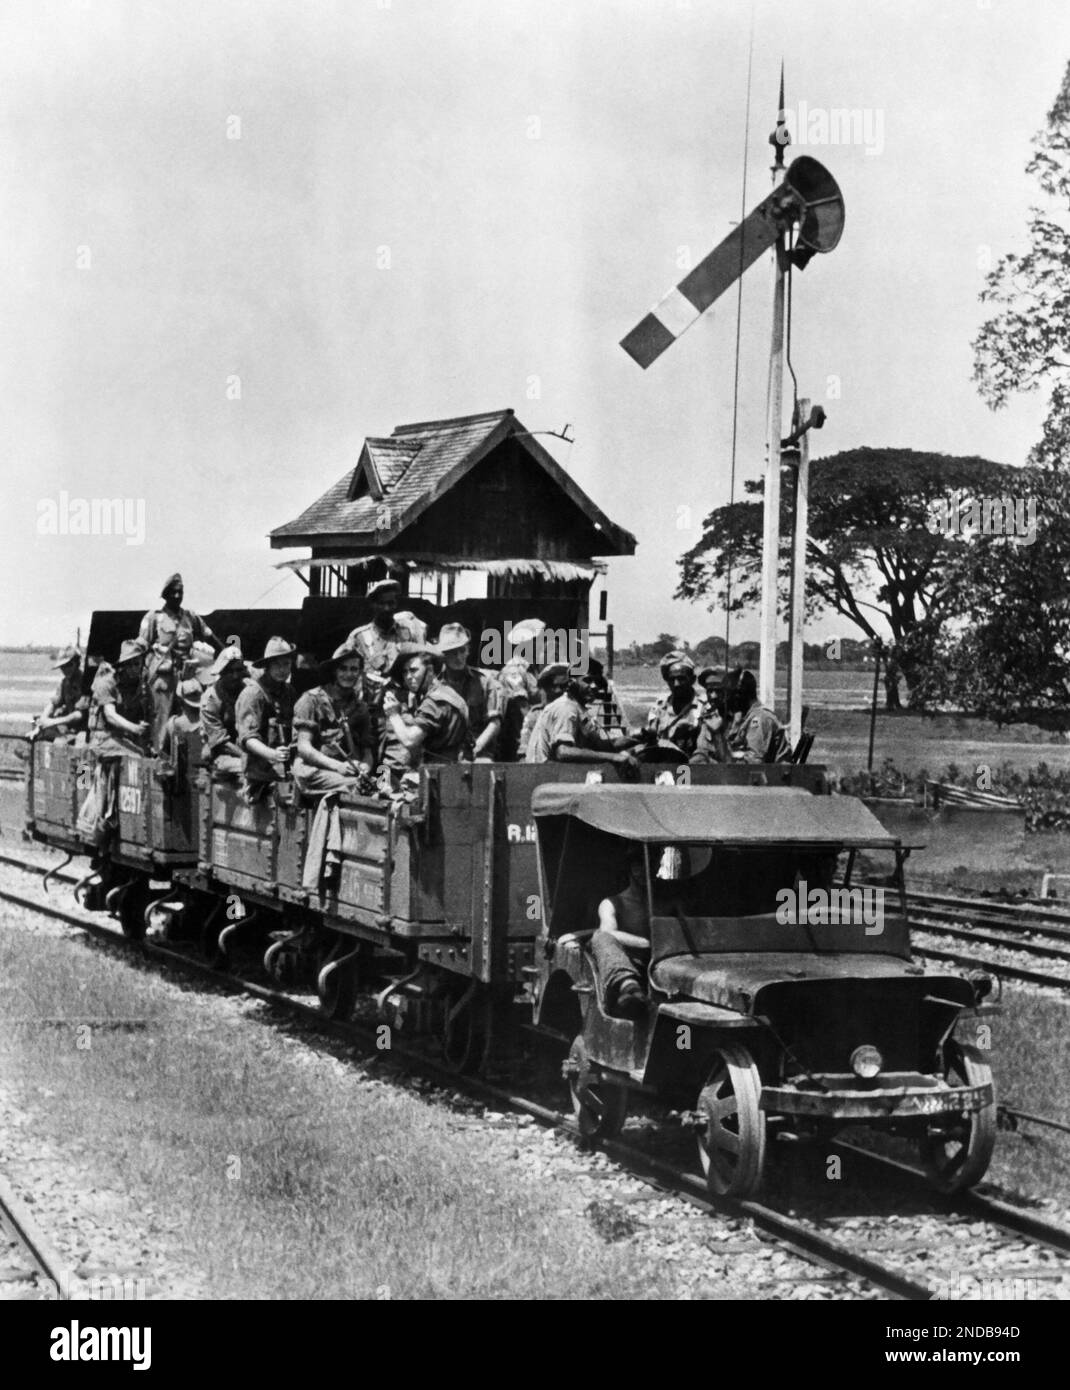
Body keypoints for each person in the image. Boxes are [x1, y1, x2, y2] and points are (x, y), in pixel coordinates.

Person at [590, 847, 686, 1019]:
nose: (643, 871)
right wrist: (646, 943)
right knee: (601, 936)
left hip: (667, 964)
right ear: (630, 868)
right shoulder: (613, 903)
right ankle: (630, 988)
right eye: (638, 866)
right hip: (630, 964)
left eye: (650, 864)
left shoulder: (668, 902)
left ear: (657, 866)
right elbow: (608, 932)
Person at [138, 574, 221, 753]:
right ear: (165, 595)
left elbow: (209, 635)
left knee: (190, 717)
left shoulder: (190, 616)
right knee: (162, 717)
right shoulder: (154, 618)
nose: (177, 596)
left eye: (180, 592)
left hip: (187, 676)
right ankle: (159, 754)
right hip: (164, 677)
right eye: (173, 592)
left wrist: (226, 654)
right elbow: (141, 646)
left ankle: (190, 756)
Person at [292, 644, 376, 796]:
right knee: (357, 787)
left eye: (354, 669)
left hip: (345, 773)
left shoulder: (360, 707)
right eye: (343, 669)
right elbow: (303, 748)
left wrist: (364, 767)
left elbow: (367, 751)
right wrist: (337, 766)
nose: (348, 674)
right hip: (312, 771)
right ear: (334, 672)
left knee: (376, 786)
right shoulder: (311, 700)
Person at [525, 663, 639, 769]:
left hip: (555, 772)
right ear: (571, 683)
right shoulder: (566, 707)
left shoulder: (580, 709)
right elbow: (563, 752)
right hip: (542, 773)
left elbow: (604, 744)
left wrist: (639, 737)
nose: (594, 686)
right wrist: (613, 757)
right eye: (587, 680)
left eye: (597, 682)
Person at [379, 643, 469, 776]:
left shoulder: (433, 702)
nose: (408, 676)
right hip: (457, 771)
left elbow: (409, 740)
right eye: (405, 672)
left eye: (414, 670)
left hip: (437, 775)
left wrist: (393, 714)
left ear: (430, 671)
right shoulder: (446, 692)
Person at [235, 636, 297, 799]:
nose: (282, 670)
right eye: (277, 664)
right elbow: (248, 739)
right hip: (259, 774)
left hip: (284, 770)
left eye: (286, 664)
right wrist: (272, 754)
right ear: (267, 666)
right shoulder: (253, 694)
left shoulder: (289, 692)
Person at [346, 578, 427, 698]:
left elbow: (421, 667)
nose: (386, 608)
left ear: (396, 604)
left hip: (403, 704)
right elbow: (346, 673)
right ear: (373, 605)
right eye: (381, 603)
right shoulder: (359, 637)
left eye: (391, 603)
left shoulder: (409, 633)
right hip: (369, 705)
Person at [435, 622, 502, 760]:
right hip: (444, 754)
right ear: (443, 655)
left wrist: (476, 748)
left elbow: (494, 723)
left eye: (462, 651)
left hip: (478, 753)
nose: (459, 657)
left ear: (468, 651)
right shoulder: (435, 685)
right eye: (453, 653)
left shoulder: (484, 682)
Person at [87, 639, 151, 756]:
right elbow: (110, 715)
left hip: (123, 737)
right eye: (128, 665)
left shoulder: (141, 685)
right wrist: (134, 728)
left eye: (136, 663)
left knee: (148, 755)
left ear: (142, 663)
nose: (132, 669)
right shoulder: (107, 682)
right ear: (123, 665)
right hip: (102, 738)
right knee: (138, 756)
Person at [643, 651, 705, 758]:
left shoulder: (703, 708)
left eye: (681, 679)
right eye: (672, 679)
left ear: (692, 680)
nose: (676, 684)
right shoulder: (659, 707)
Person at [497, 619, 543, 761]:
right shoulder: (514, 670)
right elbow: (521, 710)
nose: (541, 644)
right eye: (538, 640)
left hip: (531, 734)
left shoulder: (531, 669)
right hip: (518, 740)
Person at [200, 645, 247, 776]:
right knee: (250, 769)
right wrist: (245, 756)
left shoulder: (248, 691)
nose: (235, 675)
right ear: (221, 672)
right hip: (222, 754)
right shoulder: (211, 699)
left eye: (238, 670)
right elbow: (220, 742)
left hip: (250, 749)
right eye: (229, 671)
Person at [727, 669, 791, 764]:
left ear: (741, 695)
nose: (729, 700)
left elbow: (754, 761)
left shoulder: (759, 719)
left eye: (732, 695)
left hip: (772, 775)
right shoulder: (746, 717)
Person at [33, 646, 89, 742]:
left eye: (68, 665)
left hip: (85, 729)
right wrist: (41, 722)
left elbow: (79, 715)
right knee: (40, 734)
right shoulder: (64, 683)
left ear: (76, 663)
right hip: (69, 726)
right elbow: (53, 703)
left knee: (79, 742)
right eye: (62, 667)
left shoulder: (85, 683)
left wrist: (52, 722)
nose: (64, 670)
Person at [690, 666, 730, 765]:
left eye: (718, 691)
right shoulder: (706, 715)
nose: (713, 696)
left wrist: (716, 733)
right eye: (710, 691)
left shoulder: (738, 720)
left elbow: (731, 765)